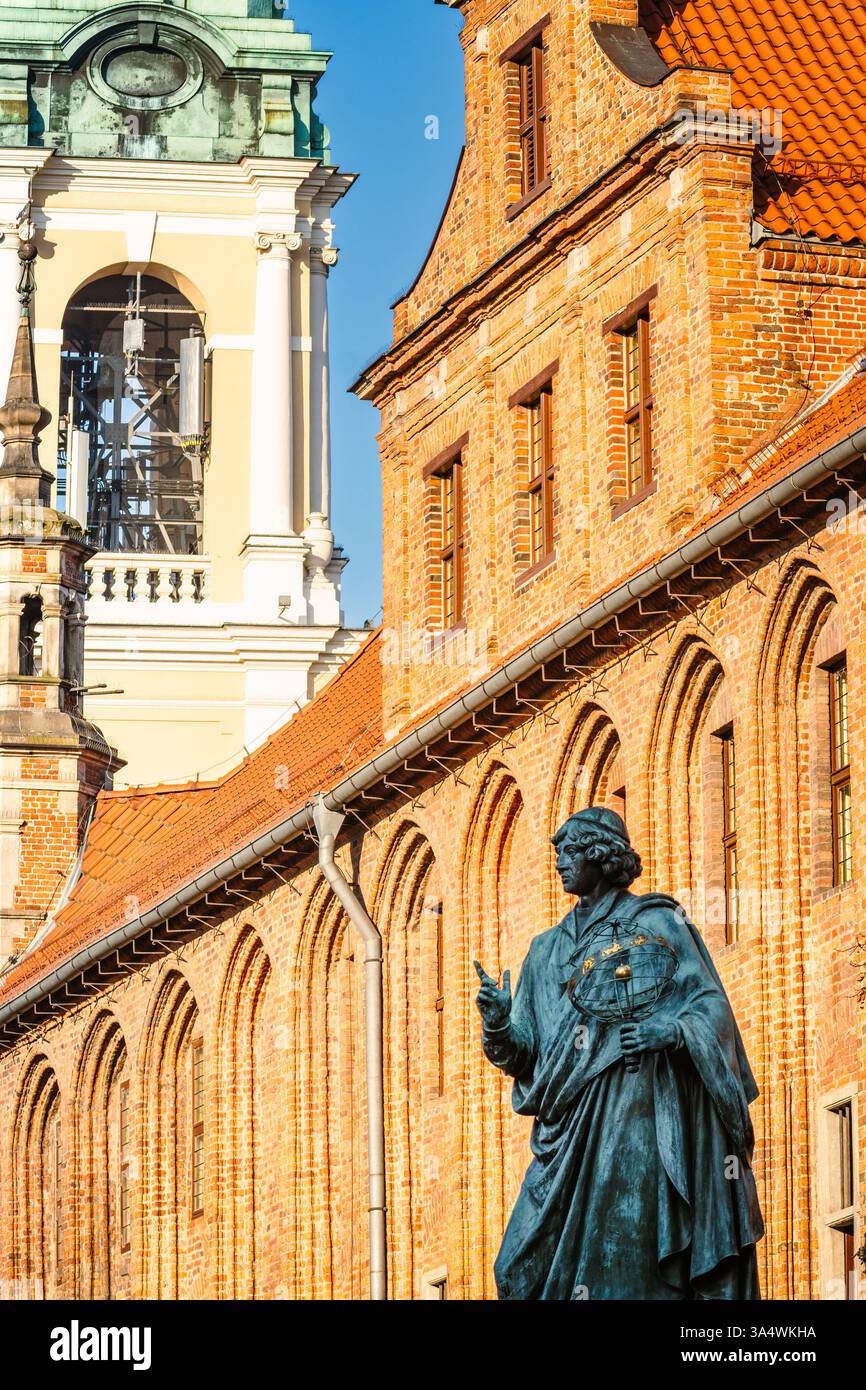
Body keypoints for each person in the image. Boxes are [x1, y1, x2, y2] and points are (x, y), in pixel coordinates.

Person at [475, 805, 764, 1300]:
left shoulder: (655, 923)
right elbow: (525, 1058)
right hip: (564, 1133)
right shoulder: (545, 951)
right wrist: (499, 1021)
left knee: (626, 1271)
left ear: (600, 856)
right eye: (558, 853)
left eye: (569, 852)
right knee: (516, 1269)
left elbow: (711, 1008)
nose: (560, 862)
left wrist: (669, 1032)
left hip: (635, 1116)